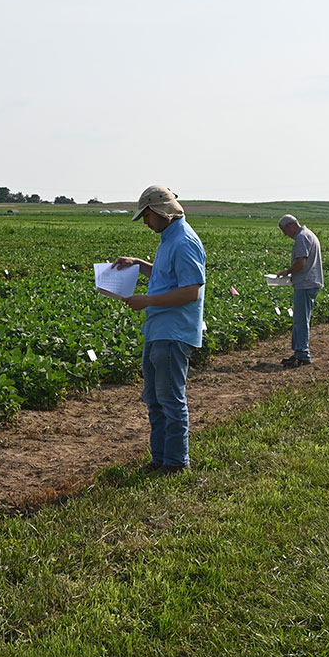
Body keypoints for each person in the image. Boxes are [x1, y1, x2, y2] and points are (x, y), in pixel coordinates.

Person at [112, 186, 206, 471]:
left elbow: (191, 291)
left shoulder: (184, 241)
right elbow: (167, 275)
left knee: (170, 400)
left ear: (161, 212)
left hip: (173, 332)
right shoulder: (169, 238)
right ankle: (161, 458)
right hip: (158, 330)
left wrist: (147, 300)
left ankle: (176, 462)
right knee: (154, 399)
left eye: (147, 215)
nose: (145, 222)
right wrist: (139, 264)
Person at [276, 214, 323, 366]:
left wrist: (287, 272)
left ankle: (303, 355)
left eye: (285, 231)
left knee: (301, 321)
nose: (286, 235)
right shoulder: (308, 234)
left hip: (305, 284)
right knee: (300, 319)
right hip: (309, 282)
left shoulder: (302, 237)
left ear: (290, 226)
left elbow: (301, 263)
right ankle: (298, 352)